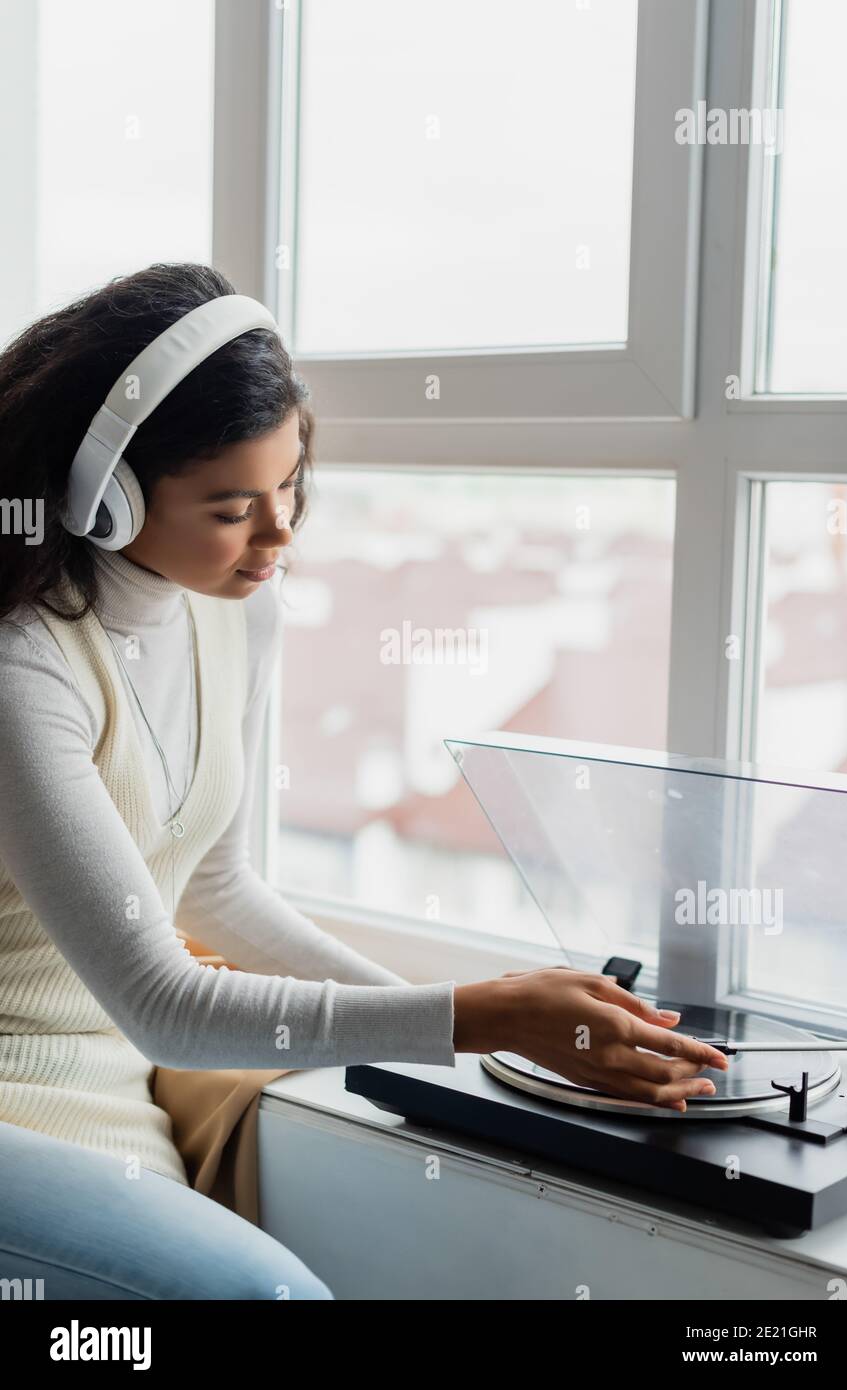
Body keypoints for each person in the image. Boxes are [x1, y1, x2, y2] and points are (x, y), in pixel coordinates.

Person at [0, 262, 728, 1300]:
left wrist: (490, 1047)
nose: (281, 531)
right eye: (231, 506)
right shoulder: (24, 664)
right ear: (104, 499)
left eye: (290, 482)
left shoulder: (237, 611)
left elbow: (217, 891)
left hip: (110, 1095)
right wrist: (480, 1013)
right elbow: (160, 1000)